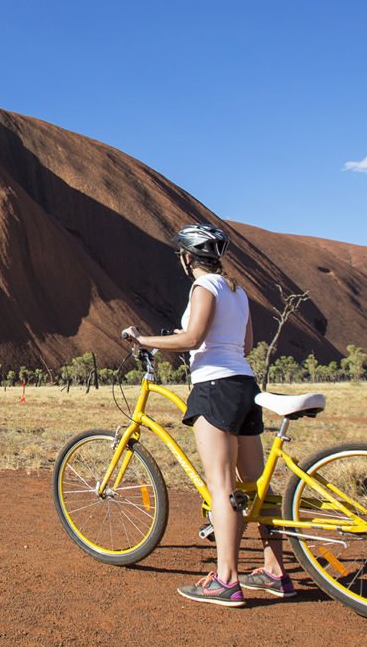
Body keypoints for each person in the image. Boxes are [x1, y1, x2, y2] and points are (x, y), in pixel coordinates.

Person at [122, 223, 294, 607]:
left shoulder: (203, 287)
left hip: (215, 388)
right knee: (255, 485)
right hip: (246, 385)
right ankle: (274, 572)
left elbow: (191, 340)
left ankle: (227, 581)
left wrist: (142, 339)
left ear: (187, 257)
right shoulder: (238, 290)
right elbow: (246, 344)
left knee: (222, 487)